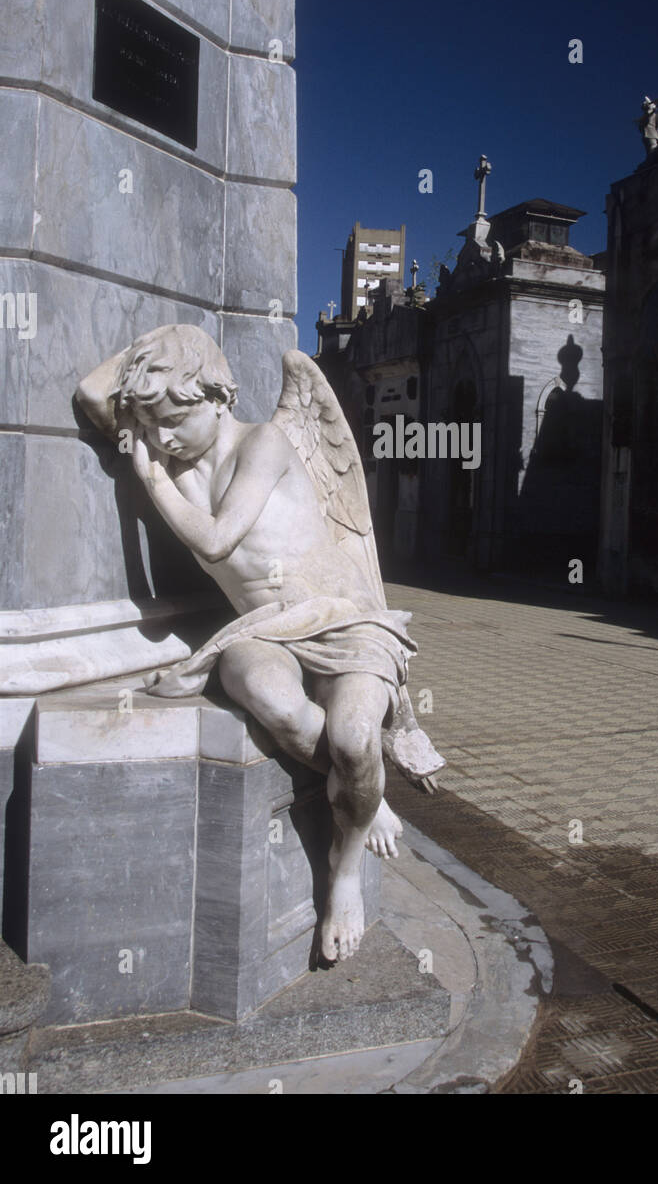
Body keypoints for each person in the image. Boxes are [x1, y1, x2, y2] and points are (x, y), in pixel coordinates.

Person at [77, 325, 422, 963]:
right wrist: (158, 356)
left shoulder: (264, 441)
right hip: (263, 630)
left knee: (351, 737)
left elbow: (215, 540)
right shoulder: (174, 458)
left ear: (217, 397)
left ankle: (343, 867)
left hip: (342, 619)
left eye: (174, 419)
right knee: (271, 697)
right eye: (150, 427)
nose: (162, 439)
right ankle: (363, 794)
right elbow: (93, 394)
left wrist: (149, 471)